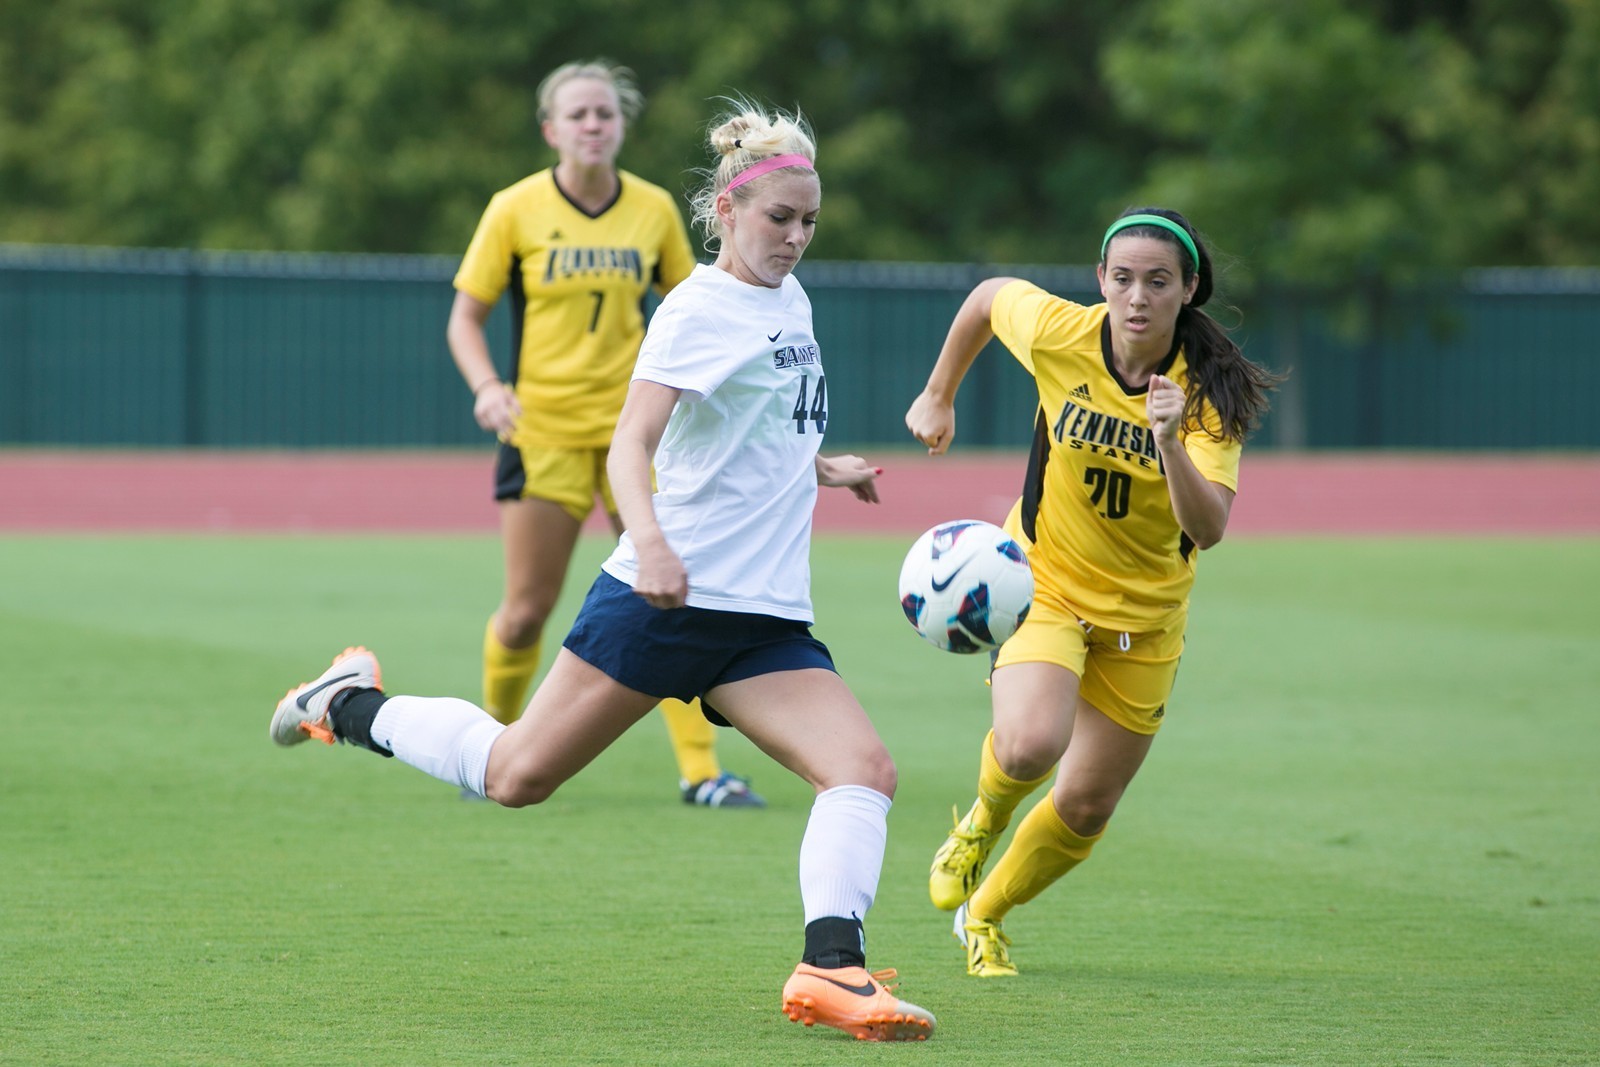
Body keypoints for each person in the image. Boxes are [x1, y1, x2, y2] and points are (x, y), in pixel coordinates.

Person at [272, 98, 936, 1042]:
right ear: (726, 212)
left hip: (759, 619)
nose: (795, 237)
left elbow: (756, 428)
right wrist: (653, 541)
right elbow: (634, 445)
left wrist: (825, 464)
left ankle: (832, 969)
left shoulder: (790, 299)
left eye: (809, 221)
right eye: (778, 218)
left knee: (862, 769)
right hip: (661, 603)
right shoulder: (695, 311)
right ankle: (344, 702)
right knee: (514, 775)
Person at [905, 208, 1280, 977]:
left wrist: (1170, 439)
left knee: (1085, 805)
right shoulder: (1059, 331)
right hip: (1045, 581)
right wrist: (939, 393)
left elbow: (1206, 528)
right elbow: (985, 296)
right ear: (1099, 280)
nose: (1137, 297)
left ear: (1189, 289)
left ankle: (986, 914)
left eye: (1157, 281)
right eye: (1122, 278)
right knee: (1030, 743)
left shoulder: (1209, 394)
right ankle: (981, 820)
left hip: (1146, 622)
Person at [446, 58, 761, 808]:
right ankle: (491, 744)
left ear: (621, 126)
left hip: (638, 435)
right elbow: (466, 315)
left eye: (605, 113)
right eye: (578, 114)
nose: (593, 125)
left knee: (672, 593)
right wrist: (488, 388)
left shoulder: (651, 211)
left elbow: (699, 305)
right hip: (542, 431)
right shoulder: (514, 208)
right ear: (552, 129)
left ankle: (700, 772)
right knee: (526, 609)